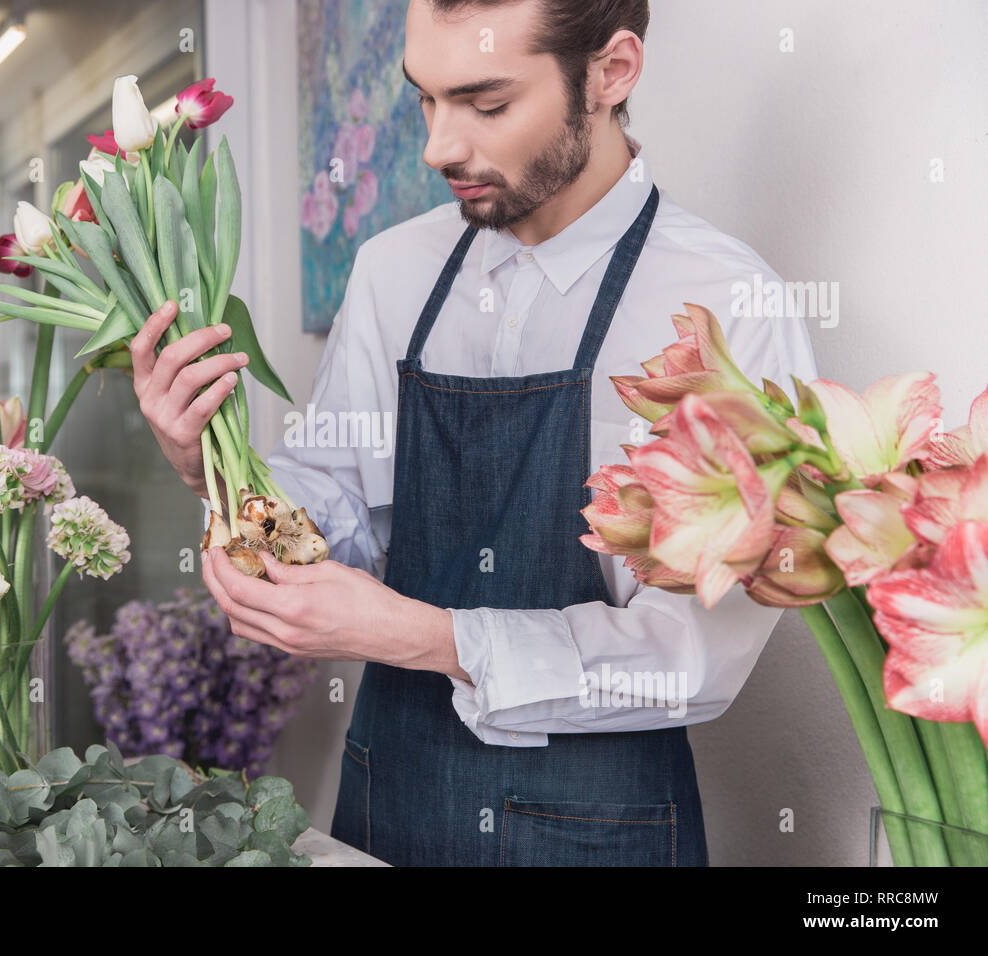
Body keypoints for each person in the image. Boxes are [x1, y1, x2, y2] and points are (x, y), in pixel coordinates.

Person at [130, 0, 818, 866]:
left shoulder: (727, 305)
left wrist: (424, 637)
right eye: (425, 98)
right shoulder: (392, 272)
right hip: (387, 803)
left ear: (612, 73)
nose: (438, 147)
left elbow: (696, 651)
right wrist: (212, 473)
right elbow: (325, 517)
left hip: (604, 832)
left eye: (486, 105)